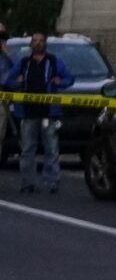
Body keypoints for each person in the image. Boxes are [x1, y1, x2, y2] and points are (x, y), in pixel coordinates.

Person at [9, 33, 72, 195]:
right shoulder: (24, 63)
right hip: (28, 112)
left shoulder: (53, 61)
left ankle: (52, 181)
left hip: (48, 112)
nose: (38, 44)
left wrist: (60, 82)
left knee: (51, 148)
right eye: (35, 41)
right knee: (27, 149)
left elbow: (69, 78)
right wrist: (16, 82)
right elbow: (8, 80)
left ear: (45, 43)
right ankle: (27, 182)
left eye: (41, 41)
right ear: (31, 44)